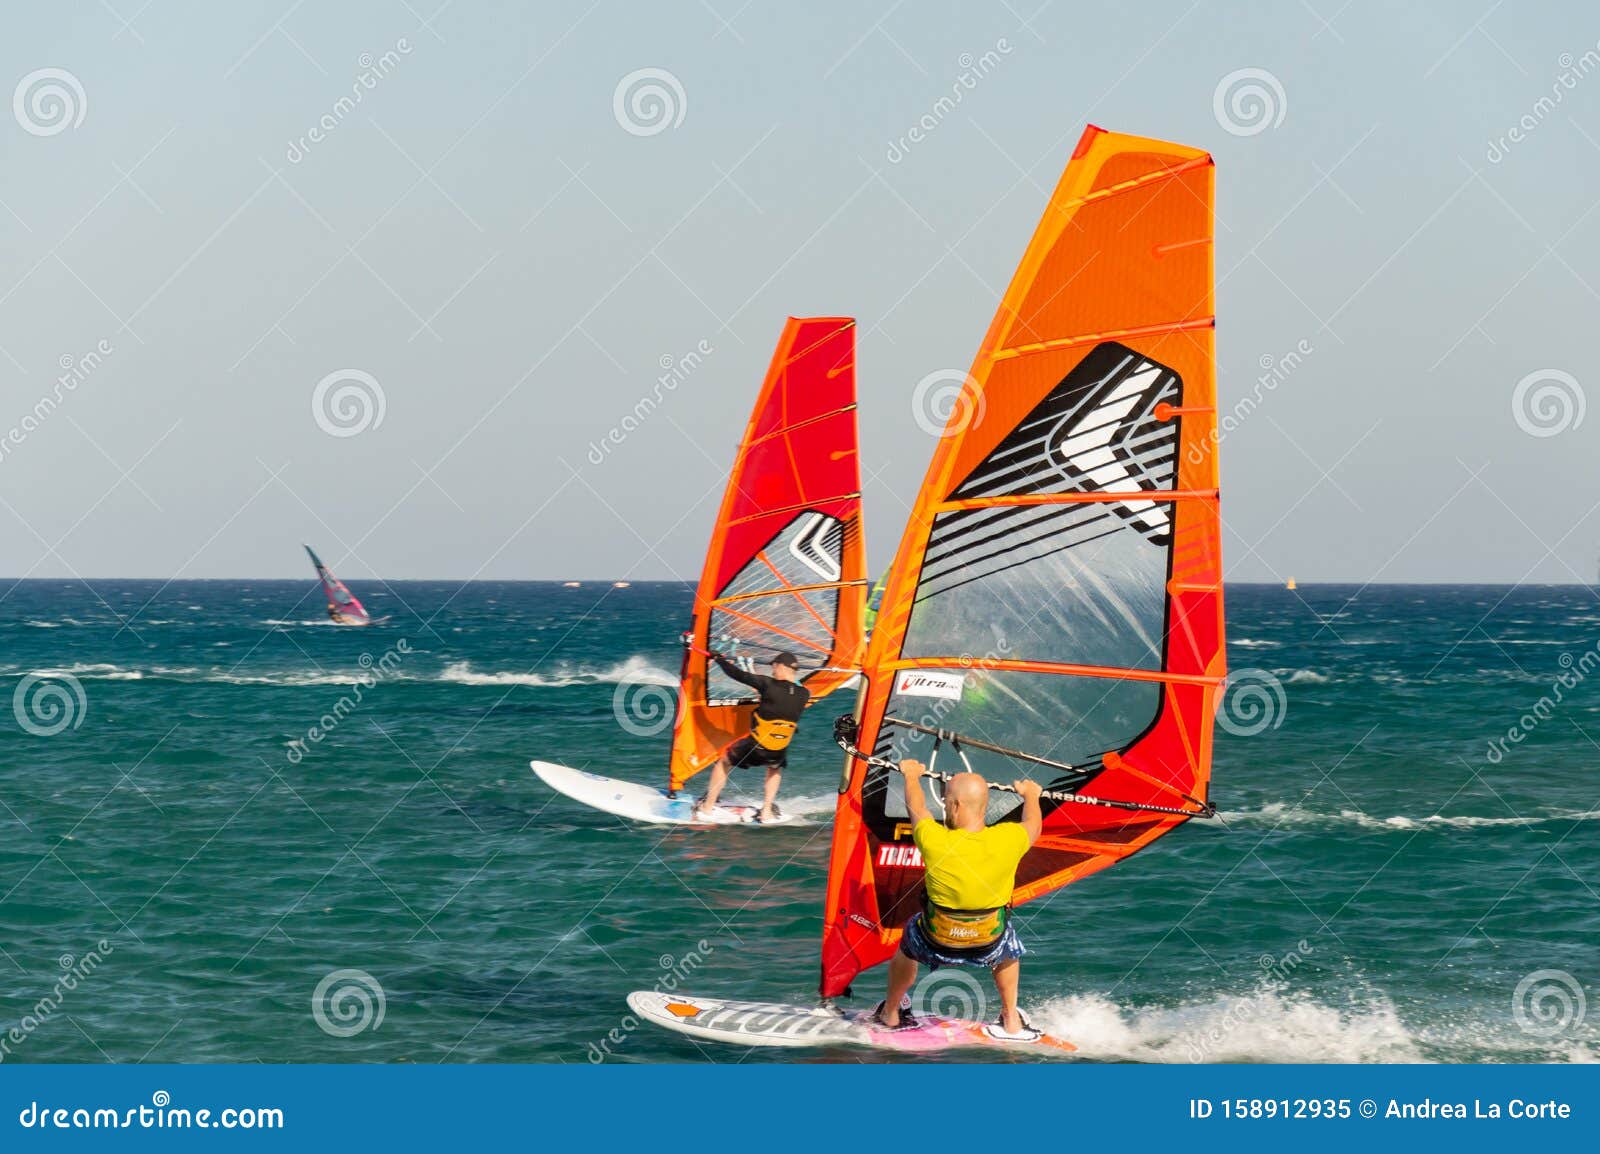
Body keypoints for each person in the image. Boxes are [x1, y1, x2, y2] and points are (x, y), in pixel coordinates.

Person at [875, 759, 1043, 1040]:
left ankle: (891, 1012)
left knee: (908, 940)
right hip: (987, 942)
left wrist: (912, 776)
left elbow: (916, 808)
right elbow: (1033, 824)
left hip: (935, 940)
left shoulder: (932, 838)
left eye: (945, 799)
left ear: (955, 806)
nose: (943, 804)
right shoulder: (1010, 837)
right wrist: (1031, 795)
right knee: (1008, 945)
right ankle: (1011, 1019)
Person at [693, 650, 809, 824]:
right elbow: (790, 690)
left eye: (774, 667)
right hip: (779, 747)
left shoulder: (768, 684)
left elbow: (737, 674)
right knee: (775, 768)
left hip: (757, 744)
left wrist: (719, 658)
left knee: (723, 761)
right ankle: (767, 811)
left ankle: (707, 807)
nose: (772, 671)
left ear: (781, 666)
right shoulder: (804, 694)